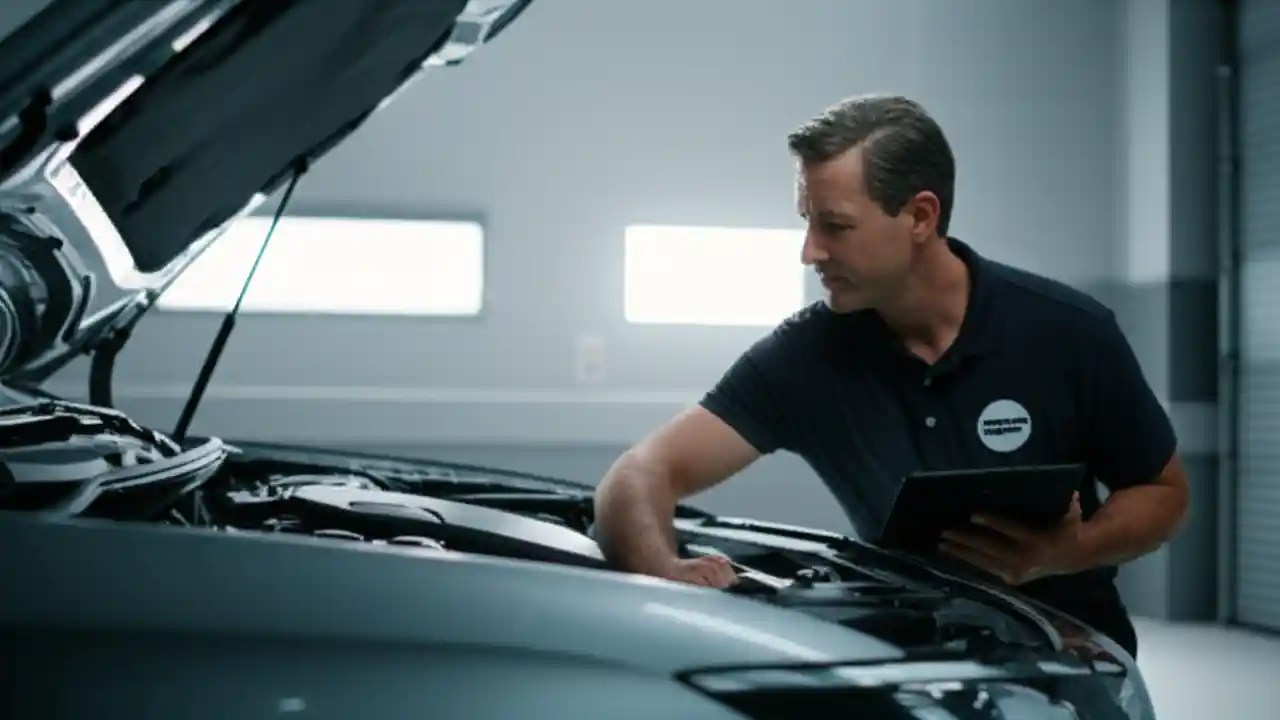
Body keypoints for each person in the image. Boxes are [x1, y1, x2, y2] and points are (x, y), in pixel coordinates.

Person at [591, 93, 1189, 659]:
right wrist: (664, 572)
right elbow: (640, 473)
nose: (809, 251)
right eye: (807, 221)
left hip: (1067, 662)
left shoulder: (1068, 332)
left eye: (835, 226)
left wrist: (1071, 551)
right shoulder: (806, 356)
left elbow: (1163, 493)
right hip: (906, 668)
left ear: (920, 216)